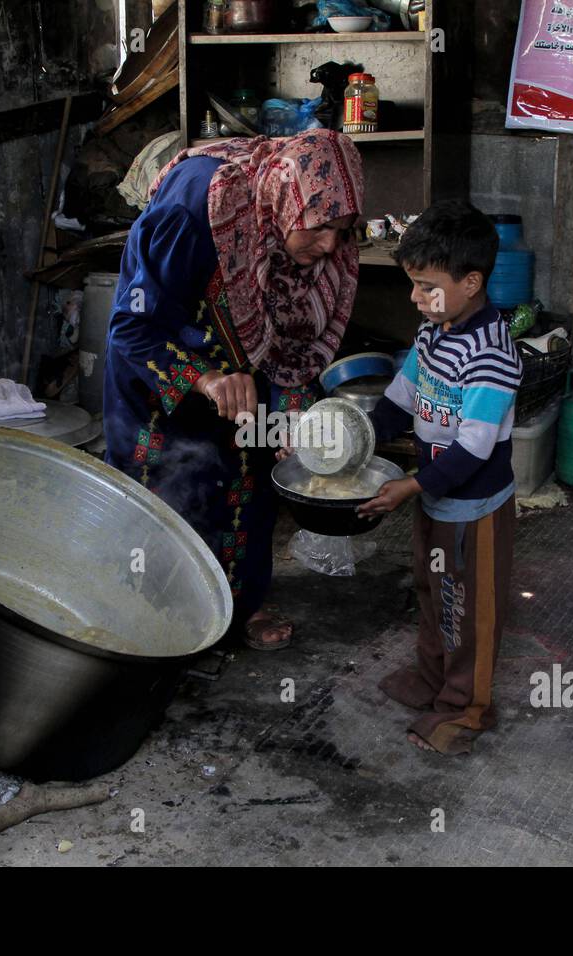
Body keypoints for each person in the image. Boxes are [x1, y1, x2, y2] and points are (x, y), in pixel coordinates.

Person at [103, 130, 364, 650]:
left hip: (248, 374)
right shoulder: (193, 213)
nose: (331, 245)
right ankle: (154, 620)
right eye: (321, 227)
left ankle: (243, 604)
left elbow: (292, 340)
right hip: (161, 375)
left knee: (247, 486)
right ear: (286, 198)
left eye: (343, 229)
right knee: (168, 496)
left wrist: (294, 411)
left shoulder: (302, 227)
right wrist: (206, 378)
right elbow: (130, 326)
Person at [356, 199, 523, 754]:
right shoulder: (432, 335)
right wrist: (351, 443)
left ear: (471, 281)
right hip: (434, 498)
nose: (414, 297)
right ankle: (432, 679)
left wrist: (408, 487)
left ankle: (466, 708)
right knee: (430, 590)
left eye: (426, 285)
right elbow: (398, 404)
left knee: (467, 609)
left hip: (473, 507)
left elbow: (473, 451)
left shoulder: (491, 354)